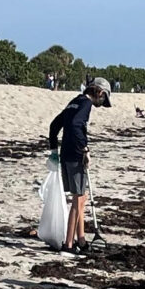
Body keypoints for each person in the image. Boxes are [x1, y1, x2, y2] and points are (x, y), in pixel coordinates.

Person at [48, 75, 111, 251]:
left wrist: (54, 150)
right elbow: (76, 124)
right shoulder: (86, 104)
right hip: (76, 155)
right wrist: (84, 149)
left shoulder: (74, 102)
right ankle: (69, 244)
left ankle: (81, 240)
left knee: (81, 197)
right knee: (79, 199)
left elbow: (54, 126)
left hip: (65, 154)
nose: (102, 101)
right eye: (104, 97)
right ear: (99, 92)